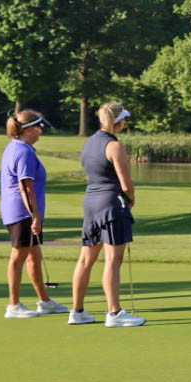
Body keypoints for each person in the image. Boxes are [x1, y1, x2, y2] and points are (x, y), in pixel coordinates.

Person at [70, 102, 144, 327]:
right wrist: (131, 201)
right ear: (118, 122)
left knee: (85, 259)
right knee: (113, 259)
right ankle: (114, 313)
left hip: (90, 203)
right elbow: (126, 184)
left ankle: (77, 311)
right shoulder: (114, 146)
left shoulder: (89, 142)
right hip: (111, 203)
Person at [0, 110, 69, 319]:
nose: (41, 133)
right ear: (29, 129)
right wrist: (35, 216)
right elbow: (25, 187)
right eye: (39, 128)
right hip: (22, 212)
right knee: (18, 256)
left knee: (34, 256)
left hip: (21, 210)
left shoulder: (18, 147)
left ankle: (44, 301)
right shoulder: (24, 152)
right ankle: (13, 305)